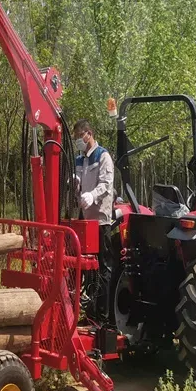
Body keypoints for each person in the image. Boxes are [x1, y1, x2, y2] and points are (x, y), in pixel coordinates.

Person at [73, 119, 116, 322]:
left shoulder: (103, 156)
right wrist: (75, 183)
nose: (77, 141)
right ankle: (90, 314)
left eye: (79, 136)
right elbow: (78, 181)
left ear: (89, 134)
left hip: (100, 221)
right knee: (88, 270)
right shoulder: (80, 160)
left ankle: (103, 317)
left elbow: (106, 184)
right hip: (85, 221)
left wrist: (92, 195)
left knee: (103, 269)